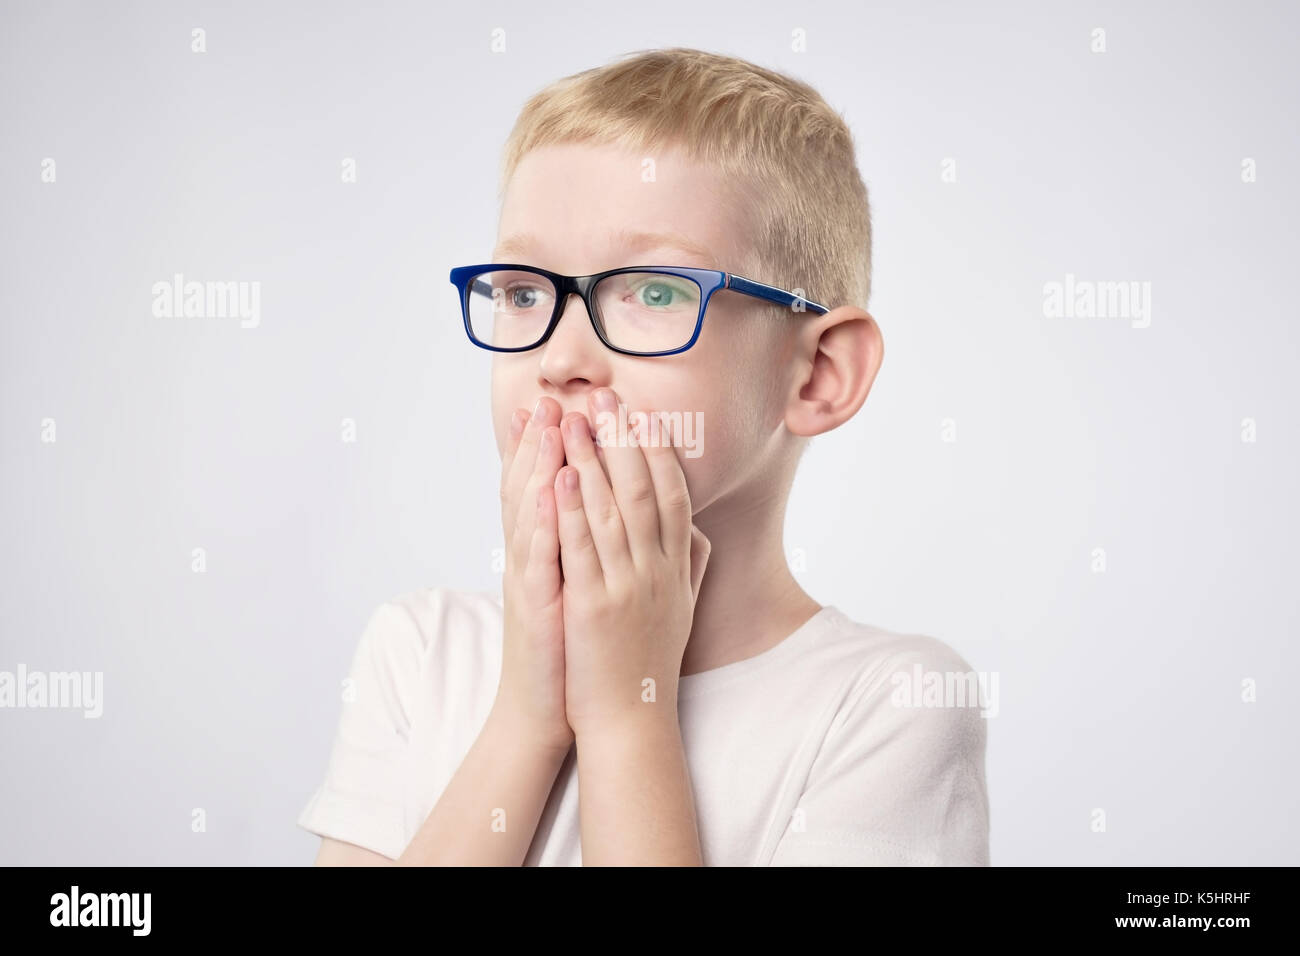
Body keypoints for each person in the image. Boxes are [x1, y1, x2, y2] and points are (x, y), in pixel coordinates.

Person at [297, 47, 990, 866]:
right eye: (525, 293)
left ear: (817, 374)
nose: (560, 358)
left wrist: (630, 712)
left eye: (655, 292)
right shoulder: (421, 651)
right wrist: (526, 716)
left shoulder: (888, 704)